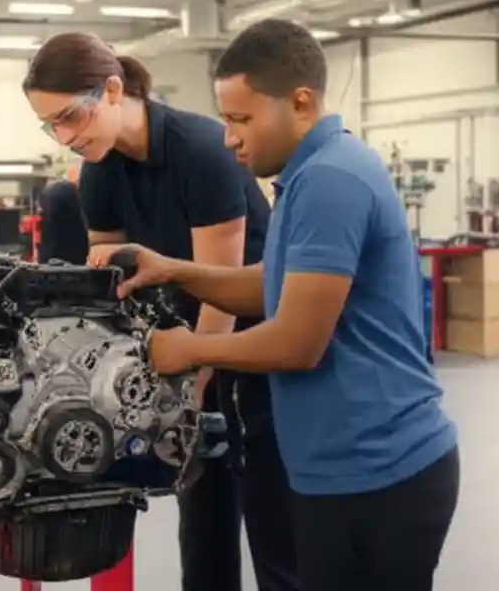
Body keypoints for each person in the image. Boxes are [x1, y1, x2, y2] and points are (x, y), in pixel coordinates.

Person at [109, 19, 460, 591]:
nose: (230, 138)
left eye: (241, 119)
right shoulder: (309, 175)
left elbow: (297, 342)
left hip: (378, 475)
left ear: (299, 103)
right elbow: (277, 286)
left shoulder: (331, 181)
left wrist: (191, 350)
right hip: (341, 470)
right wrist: (175, 270)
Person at [21, 32, 299, 591]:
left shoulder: (201, 150)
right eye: (51, 125)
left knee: (272, 522)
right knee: (203, 518)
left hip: (249, 340)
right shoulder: (101, 170)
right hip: (181, 341)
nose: (66, 137)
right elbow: (113, 285)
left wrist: (185, 394)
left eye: (72, 117)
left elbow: (219, 292)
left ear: (114, 90)